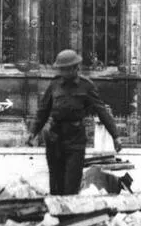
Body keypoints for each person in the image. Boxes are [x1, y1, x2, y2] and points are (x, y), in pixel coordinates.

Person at [26, 49, 122, 196]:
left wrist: (115, 136)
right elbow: (43, 111)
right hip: (55, 138)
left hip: (75, 140)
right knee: (56, 183)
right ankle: (57, 214)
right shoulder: (54, 85)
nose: (61, 72)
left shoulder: (86, 86)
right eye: (60, 69)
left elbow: (102, 111)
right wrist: (33, 132)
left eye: (64, 69)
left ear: (74, 68)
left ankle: (70, 215)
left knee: (71, 182)